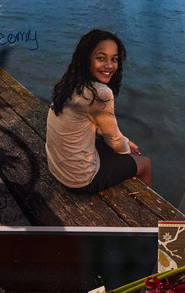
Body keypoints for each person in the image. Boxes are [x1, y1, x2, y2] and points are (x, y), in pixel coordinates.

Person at [46, 29, 153, 195]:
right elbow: (114, 140)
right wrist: (126, 148)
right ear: (87, 59)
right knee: (145, 163)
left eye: (114, 59)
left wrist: (125, 142)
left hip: (56, 167)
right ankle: (148, 214)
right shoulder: (100, 93)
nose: (109, 65)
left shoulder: (70, 82)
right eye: (101, 58)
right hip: (79, 180)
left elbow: (101, 129)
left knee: (115, 149)